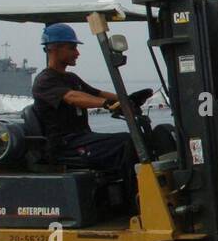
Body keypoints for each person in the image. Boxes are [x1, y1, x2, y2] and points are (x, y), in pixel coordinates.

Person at [31, 23, 152, 187]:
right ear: (54, 48)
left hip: (82, 139)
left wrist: (126, 100)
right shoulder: (45, 81)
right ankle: (138, 196)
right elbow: (73, 97)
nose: (77, 53)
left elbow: (98, 94)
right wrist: (107, 104)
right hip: (65, 145)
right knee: (127, 142)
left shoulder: (71, 78)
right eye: (72, 48)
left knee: (149, 138)